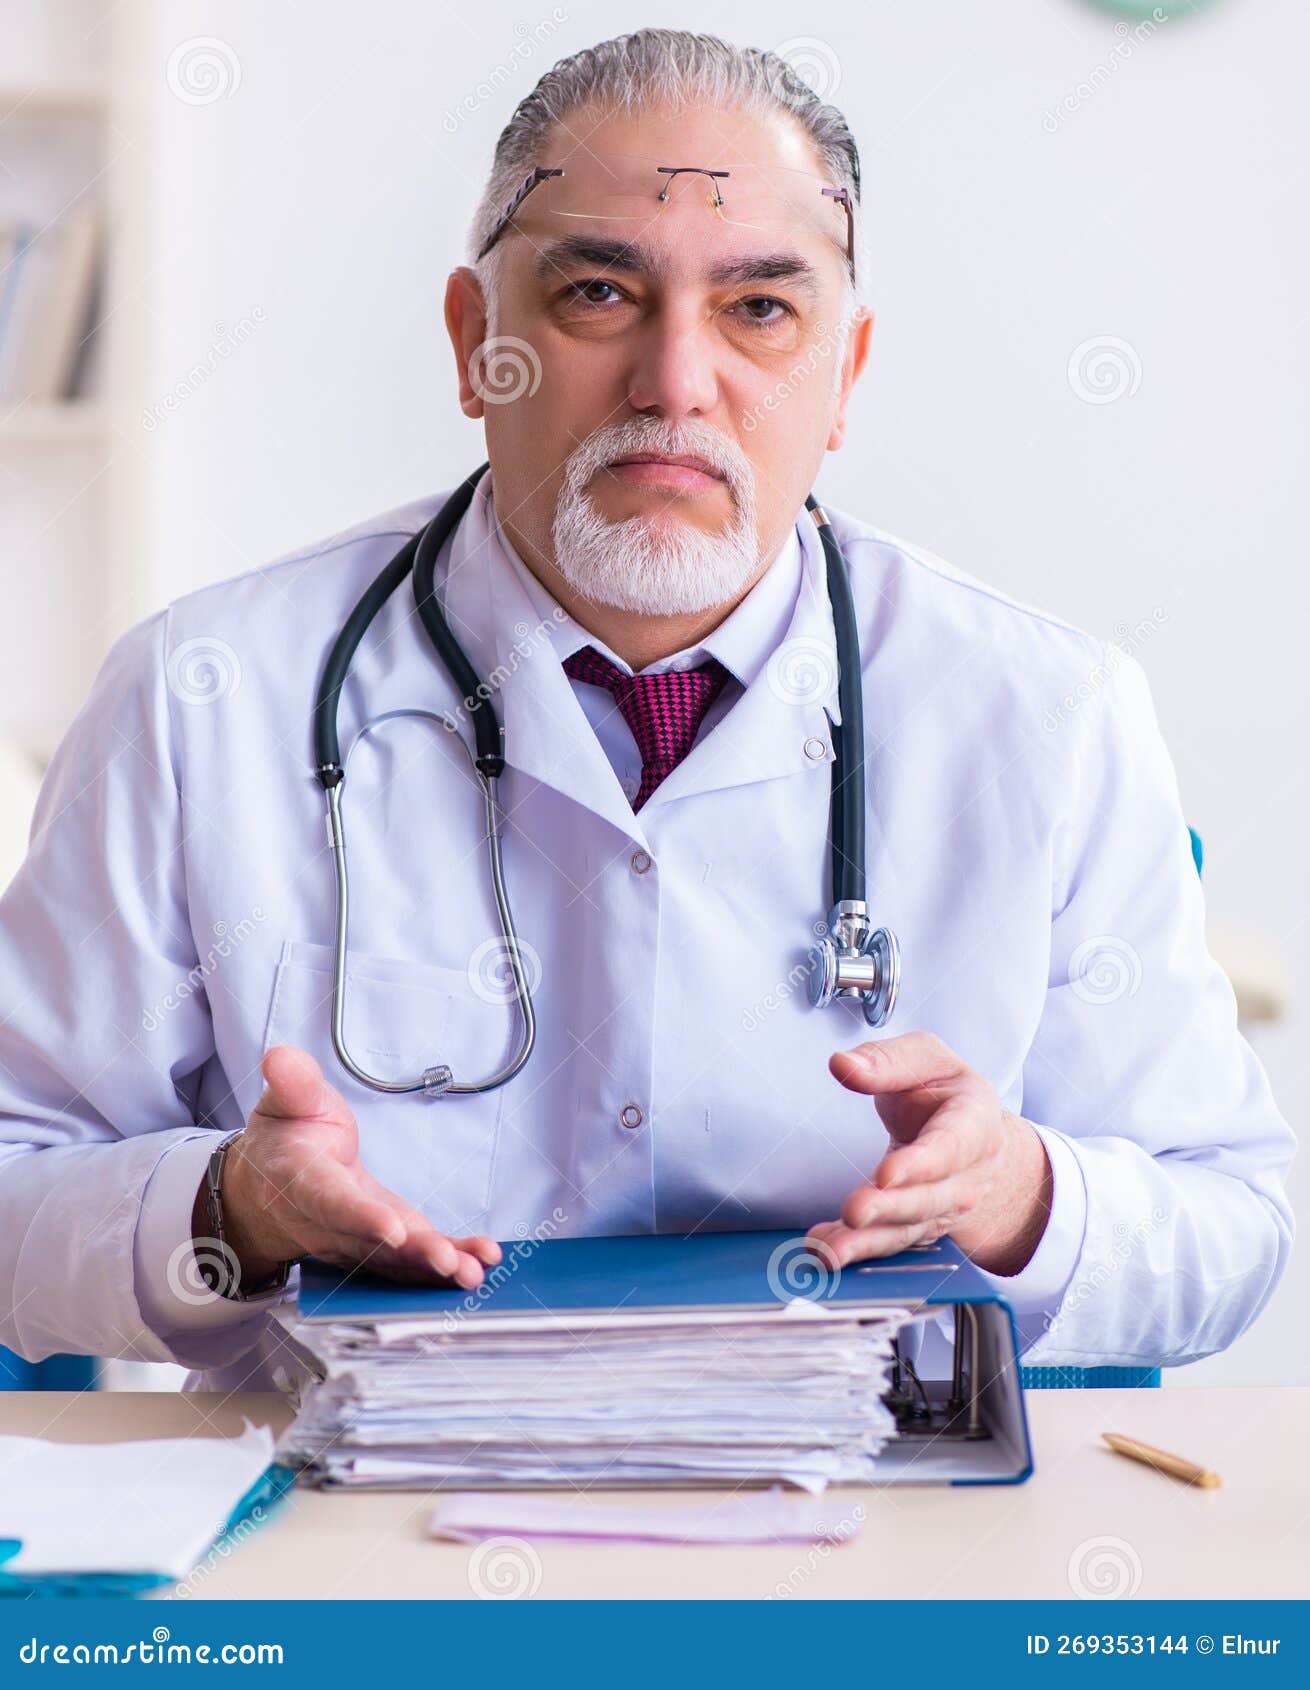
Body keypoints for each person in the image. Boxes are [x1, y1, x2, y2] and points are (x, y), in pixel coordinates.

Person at [0, 30, 1293, 1394]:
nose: (677, 380)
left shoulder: (1046, 714)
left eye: (758, 310)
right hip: (352, 1536)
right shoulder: (204, 697)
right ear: (472, 339)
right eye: (600, 292)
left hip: (871, 1536)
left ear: (843, 373)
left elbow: (1229, 1227)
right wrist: (228, 1213)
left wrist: (1024, 1190)